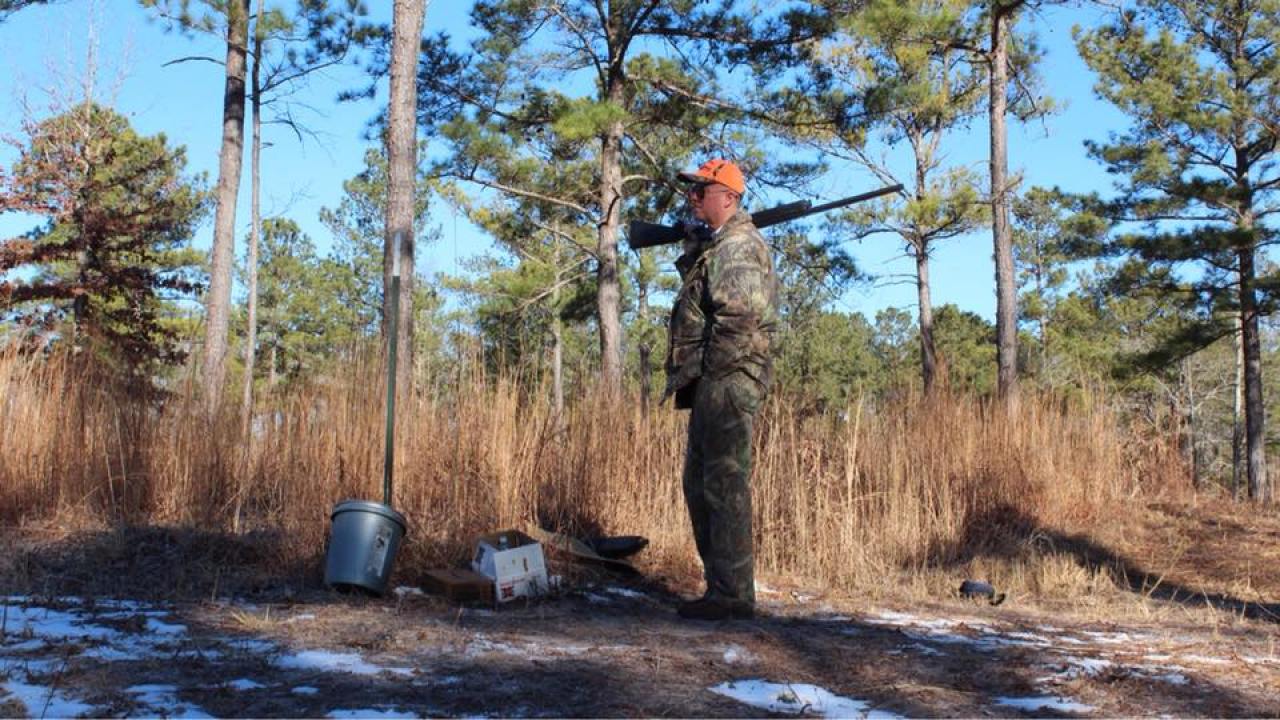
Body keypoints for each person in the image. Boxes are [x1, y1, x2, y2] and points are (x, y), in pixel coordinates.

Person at [664, 158, 779, 621]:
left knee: (724, 484)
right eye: (691, 191)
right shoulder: (719, 246)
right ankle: (722, 588)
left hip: (728, 378)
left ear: (727, 197)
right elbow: (705, 298)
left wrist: (714, 373)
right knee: (701, 482)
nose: (692, 198)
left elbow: (739, 316)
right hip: (716, 378)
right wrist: (692, 249)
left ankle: (731, 596)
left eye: (700, 191)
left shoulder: (736, 246)